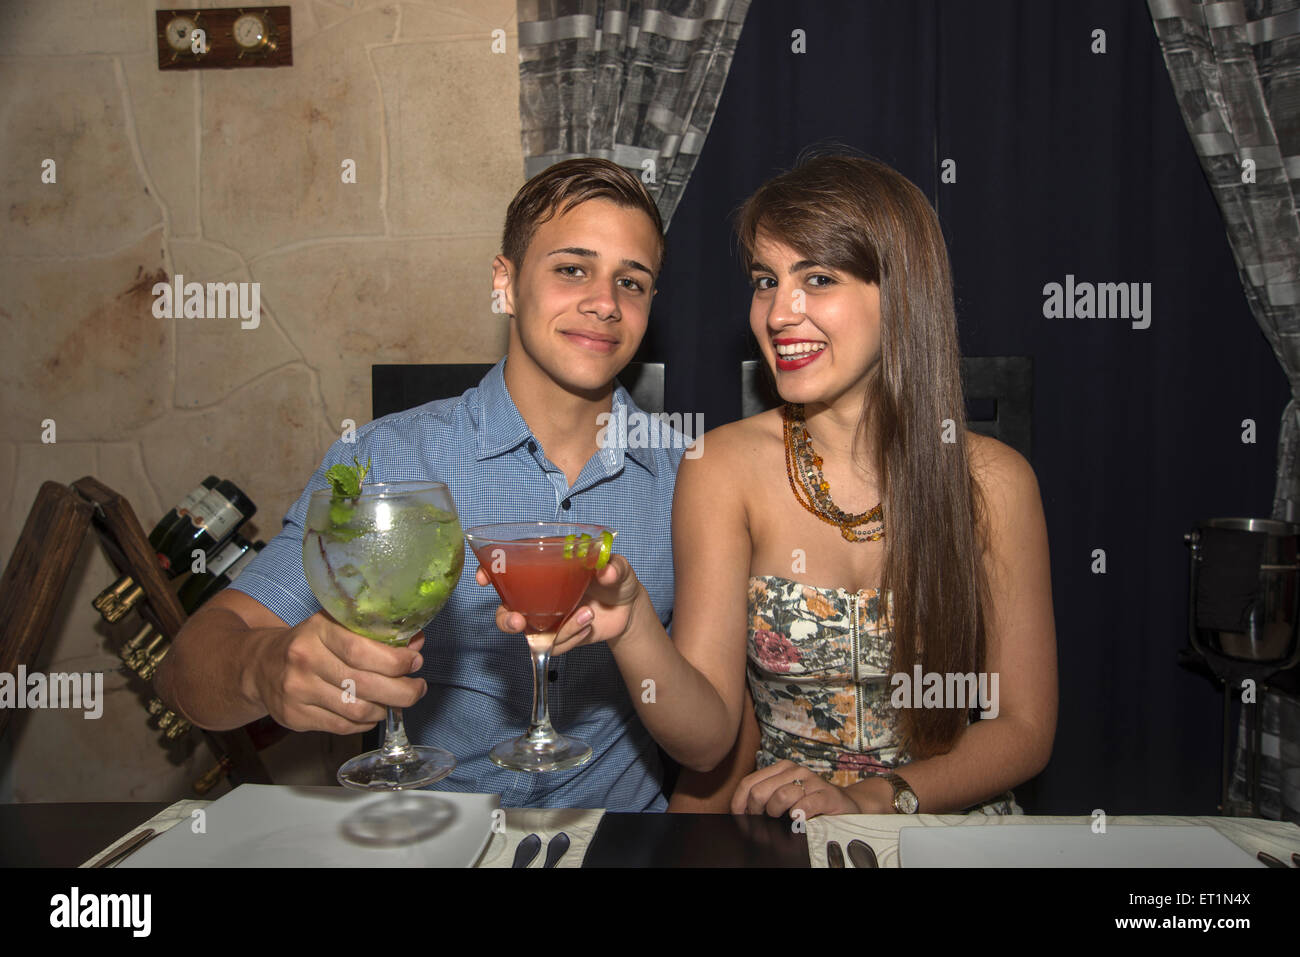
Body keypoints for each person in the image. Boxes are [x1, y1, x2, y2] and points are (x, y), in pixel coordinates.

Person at [482, 152, 1058, 817]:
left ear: (902, 293)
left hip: (946, 819)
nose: (780, 312)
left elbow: (1024, 729)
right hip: (784, 824)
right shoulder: (721, 466)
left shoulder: (995, 482)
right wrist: (634, 620)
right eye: (765, 280)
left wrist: (876, 798)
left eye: (817, 277)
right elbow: (712, 736)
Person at [154, 158, 687, 810]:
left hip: (619, 839)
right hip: (429, 834)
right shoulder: (379, 455)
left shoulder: (688, 476)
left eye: (630, 282)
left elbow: (715, 720)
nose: (604, 302)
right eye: (571, 268)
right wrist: (261, 669)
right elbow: (187, 666)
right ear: (505, 282)